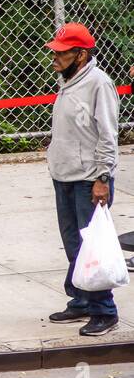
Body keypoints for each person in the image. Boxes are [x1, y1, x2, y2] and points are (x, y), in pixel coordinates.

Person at [44, 23, 120, 337]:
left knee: (92, 247)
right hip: (64, 174)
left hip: (89, 177)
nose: (55, 58)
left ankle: (105, 310)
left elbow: (108, 134)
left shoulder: (98, 84)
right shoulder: (70, 80)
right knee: (73, 244)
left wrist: (103, 177)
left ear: (81, 54)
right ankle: (81, 299)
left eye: (62, 53)